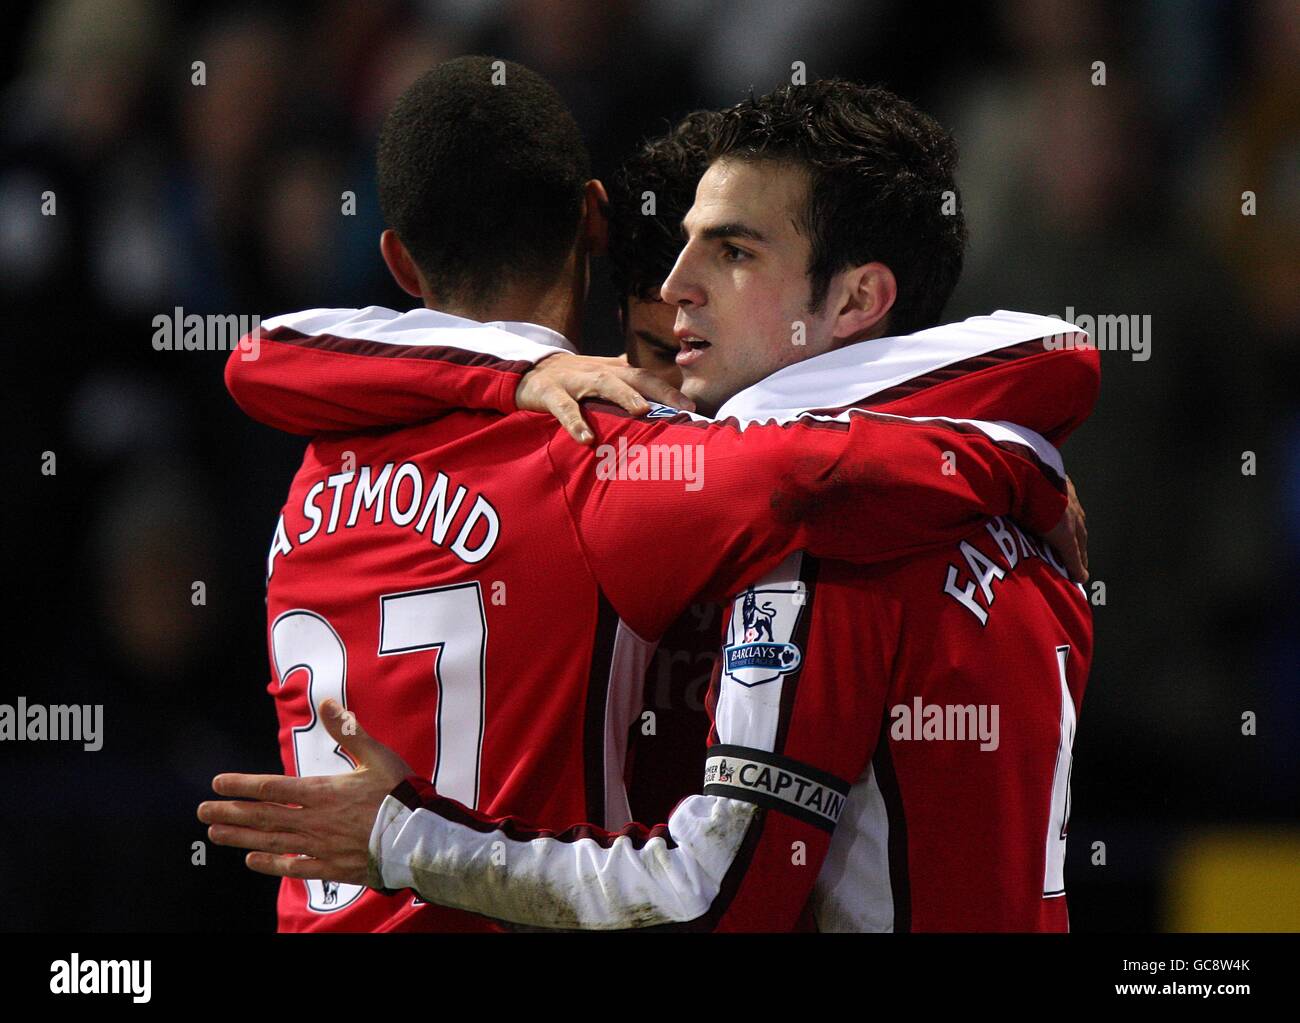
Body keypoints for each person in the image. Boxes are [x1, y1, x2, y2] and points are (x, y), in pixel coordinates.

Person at [201, 60, 1080, 933]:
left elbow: (711, 893)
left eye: (732, 250)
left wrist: (403, 837)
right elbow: (1054, 355)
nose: (676, 289)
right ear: (590, 219)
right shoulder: (996, 532)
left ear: (395, 258)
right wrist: (1016, 463)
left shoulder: (321, 456)